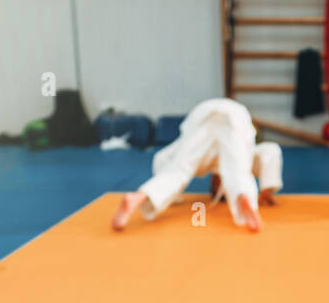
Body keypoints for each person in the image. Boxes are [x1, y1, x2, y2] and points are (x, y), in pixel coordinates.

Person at [111, 98, 282, 234]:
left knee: (177, 171)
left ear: (213, 186)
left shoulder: (203, 164)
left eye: (216, 188)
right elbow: (271, 153)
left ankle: (136, 198)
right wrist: (266, 191)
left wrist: (173, 197)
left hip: (205, 115)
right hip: (234, 117)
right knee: (238, 173)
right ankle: (244, 200)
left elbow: (163, 158)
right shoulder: (234, 160)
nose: (219, 184)